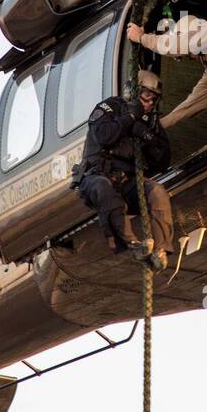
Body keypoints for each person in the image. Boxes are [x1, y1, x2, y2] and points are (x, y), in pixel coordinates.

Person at [71, 69, 174, 271]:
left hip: (127, 184)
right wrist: (129, 119)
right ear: (133, 91)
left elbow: (162, 161)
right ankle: (132, 244)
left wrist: (146, 135)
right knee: (103, 188)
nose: (150, 103)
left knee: (157, 191)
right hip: (96, 178)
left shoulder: (149, 122)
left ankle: (161, 249)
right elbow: (103, 136)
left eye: (154, 99)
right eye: (146, 96)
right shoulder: (109, 107)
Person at [126, 14, 207, 137]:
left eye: (189, 54)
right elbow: (193, 103)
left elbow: (175, 46)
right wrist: (159, 125)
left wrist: (141, 37)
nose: (190, 57)